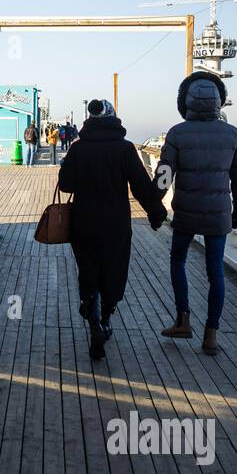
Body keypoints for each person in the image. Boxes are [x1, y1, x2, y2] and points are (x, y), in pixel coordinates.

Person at [58, 99, 166, 361]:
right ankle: (105, 319)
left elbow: (66, 186)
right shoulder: (125, 149)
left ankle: (92, 316)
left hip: (83, 221)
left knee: (88, 268)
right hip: (115, 222)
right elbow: (141, 187)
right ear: (113, 118)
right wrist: (156, 211)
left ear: (89, 120)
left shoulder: (78, 148)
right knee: (114, 269)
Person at [155, 71, 237, 356]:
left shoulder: (177, 133)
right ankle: (211, 335)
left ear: (186, 101)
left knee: (178, 261)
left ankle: (183, 319)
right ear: (219, 101)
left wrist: (153, 204)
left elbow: (164, 175)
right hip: (218, 214)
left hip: (185, 213)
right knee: (215, 272)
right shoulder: (232, 135)